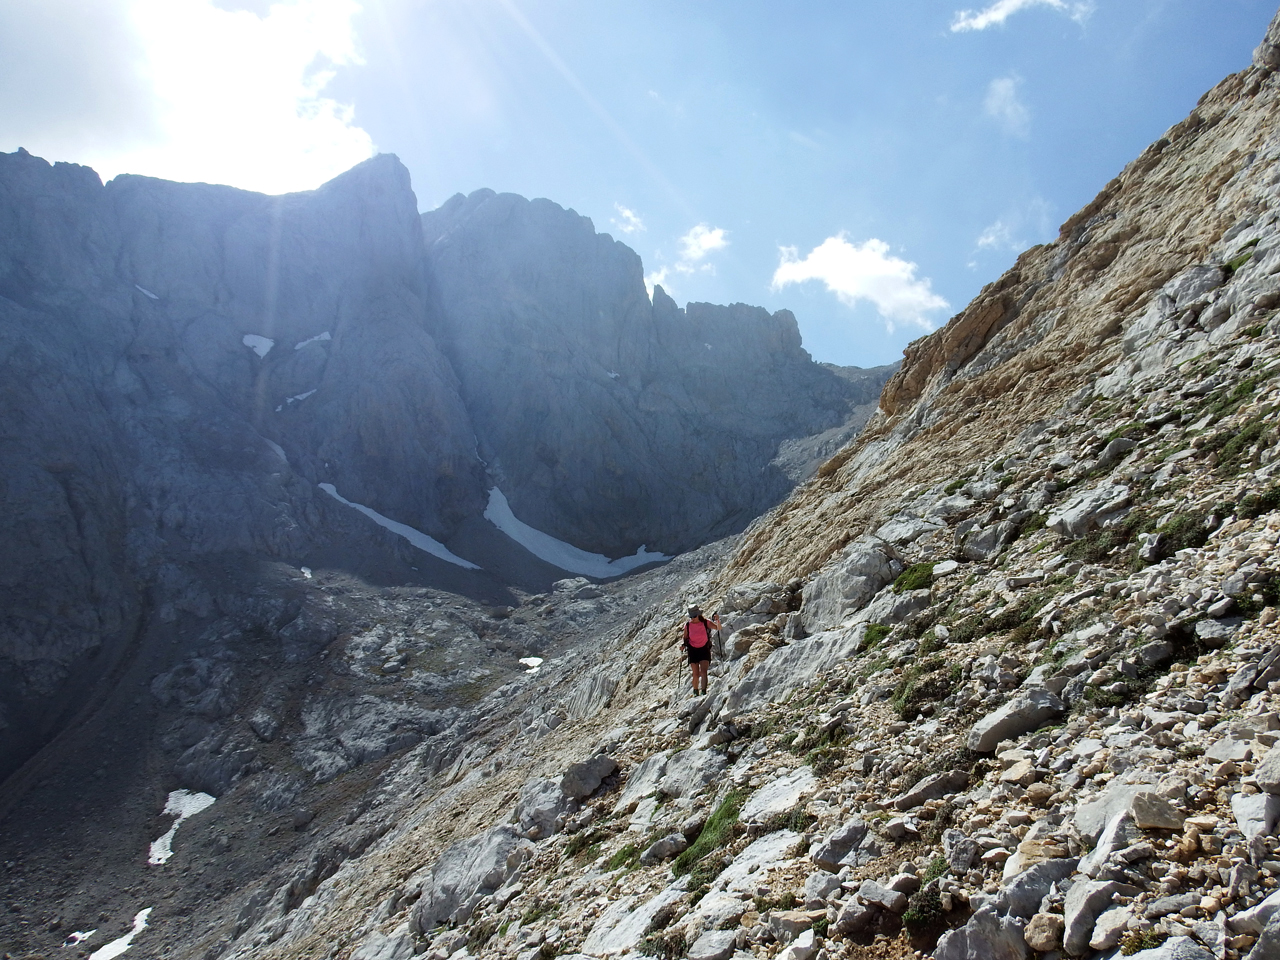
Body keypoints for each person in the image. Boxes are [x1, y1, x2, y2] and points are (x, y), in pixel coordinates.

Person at [680, 605, 721, 696]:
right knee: (695, 673)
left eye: (694, 616)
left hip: (704, 649)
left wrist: (717, 620)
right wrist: (683, 645)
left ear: (698, 615)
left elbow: (718, 628)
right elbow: (685, 638)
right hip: (692, 650)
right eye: (691, 617)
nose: (692, 618)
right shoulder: (687, 625)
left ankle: (703, 691)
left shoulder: (706, 622)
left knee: (703, 672)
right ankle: (695, 691)